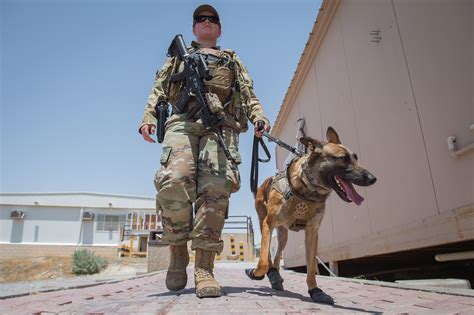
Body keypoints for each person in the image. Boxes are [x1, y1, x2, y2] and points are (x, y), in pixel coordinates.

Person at [139, 4, 270, 298]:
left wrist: (259, 117)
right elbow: (159, 88)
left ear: (219, 29)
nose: (207, 22)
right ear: (194, 28)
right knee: (174, 181)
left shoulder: (232, 61)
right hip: (182, 124)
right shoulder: (178, 56)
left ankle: (204, 268)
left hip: (220, 126)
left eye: (213, 19)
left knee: (215, 191)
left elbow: (248, 93)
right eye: (201, 19)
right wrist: (148, 118)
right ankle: (177, 252)